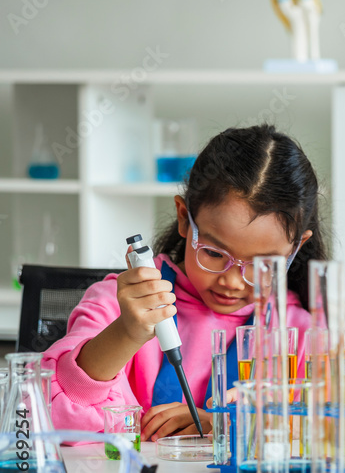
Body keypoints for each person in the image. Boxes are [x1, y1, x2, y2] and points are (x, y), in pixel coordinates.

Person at [45, 125, 328, 441]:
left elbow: (321, 432)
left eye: (262, 265)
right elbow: (40, 419)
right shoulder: (117, 304)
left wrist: (221, 424)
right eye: (213, 252)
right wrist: (126, 332)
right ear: (183, 217)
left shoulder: (302, 333)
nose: (233, 281)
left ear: (296, 248)